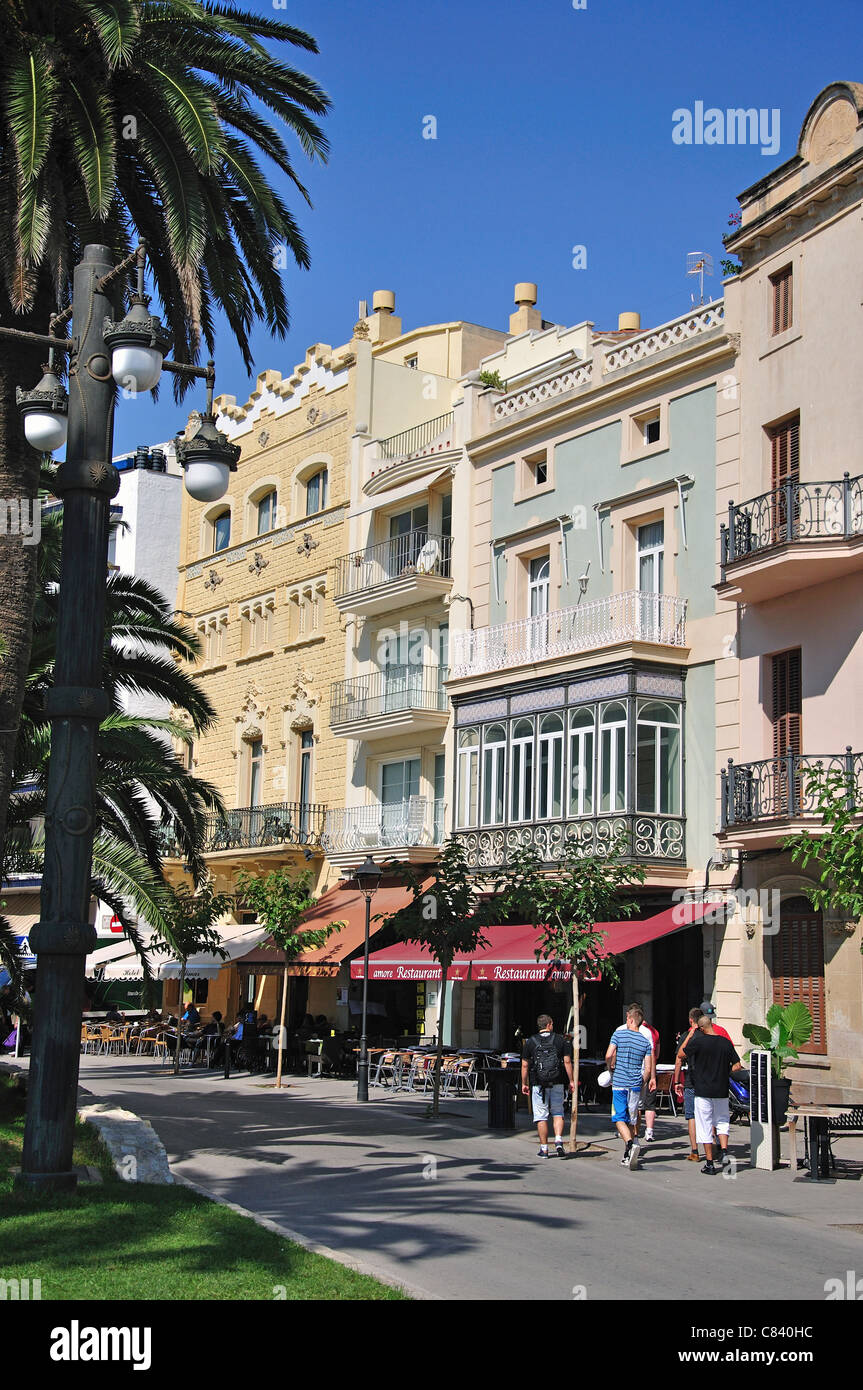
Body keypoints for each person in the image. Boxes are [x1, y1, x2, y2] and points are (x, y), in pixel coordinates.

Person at [673, 1013, 745, 1174]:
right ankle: (725, 1152)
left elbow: (681, 1054)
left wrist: (691, 1034)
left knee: (705, 1125)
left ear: (701, 1028)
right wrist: (725, 1072)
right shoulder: (725, 1043)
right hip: (721, 1089)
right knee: (722, 1122)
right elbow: (738, 1065)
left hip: (703, 1090)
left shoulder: (698, 1042)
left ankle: (710, 1163)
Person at [606, 1004, 656, 1169]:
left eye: (627, 1018)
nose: (626, 1021)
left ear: (632, 1019)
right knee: (633, 1117)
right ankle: (632, 1146)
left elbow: (608, 1055)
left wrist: (610, 1068)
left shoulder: (618, 1035)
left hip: (619, 1083)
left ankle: (629, 1144)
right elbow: (648, 1068)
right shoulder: (645, 1042)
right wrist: (642, 1081)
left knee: (619, 1117)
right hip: (635, 1085)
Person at [521, 1013, 575, 1158]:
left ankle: (544, 1149)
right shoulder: (560, 1040)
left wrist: (524, 1083)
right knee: (558, 1112)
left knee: (541, 1116)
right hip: (557, 1081)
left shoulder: (530, 1042)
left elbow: (525, 1065)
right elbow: (567, 1062)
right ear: (549, 1024)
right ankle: (558, 1140)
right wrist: (571, 1081)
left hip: (538, 1083)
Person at [675, 1008, 705, 1161]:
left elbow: (679, 1058)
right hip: (707, 1081)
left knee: (691, 1116)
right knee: (708, 1115)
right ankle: (712, 1147)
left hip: (691, 1080)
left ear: (691, 1020)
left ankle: (695, 1150)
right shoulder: (709, 1036)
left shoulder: (687, 1037)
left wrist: (676, 1081)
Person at [636, 1014, 660, 1143]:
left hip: (639, 1070)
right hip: (651, 1069)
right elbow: (656, 1053)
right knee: (650, 1103)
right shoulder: (654, 1031)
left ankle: (634, 1132)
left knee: (636, 1104)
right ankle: (649, 1131)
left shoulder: (634, 1030)